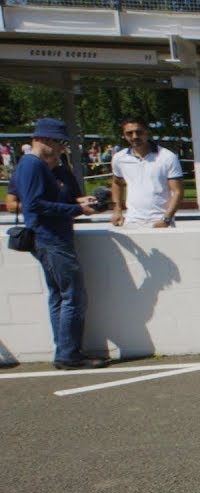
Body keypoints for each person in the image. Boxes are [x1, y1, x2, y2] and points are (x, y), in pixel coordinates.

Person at [9, 118, 103, 369]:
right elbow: (34, 205)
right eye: (60, 143)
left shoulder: (38, 166)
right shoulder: (33, 165)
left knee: (61, 296)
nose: (62, 148)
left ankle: (66, 351)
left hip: (50, 238)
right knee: (73, 296)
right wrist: (77, 208)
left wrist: (78, 203)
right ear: (45, 140)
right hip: (50, 238)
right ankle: (69, 355)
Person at [109, 118, 183, 228]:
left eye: (139, 132)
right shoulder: (119, 158)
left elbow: (178, 191)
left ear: (147, 132)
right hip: (132, 220)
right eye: (129, 133)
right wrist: (117, 210)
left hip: (161, 220)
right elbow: (117, 183)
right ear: (124, 135)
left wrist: (166, 219)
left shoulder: (167, 157)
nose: (134, 136)